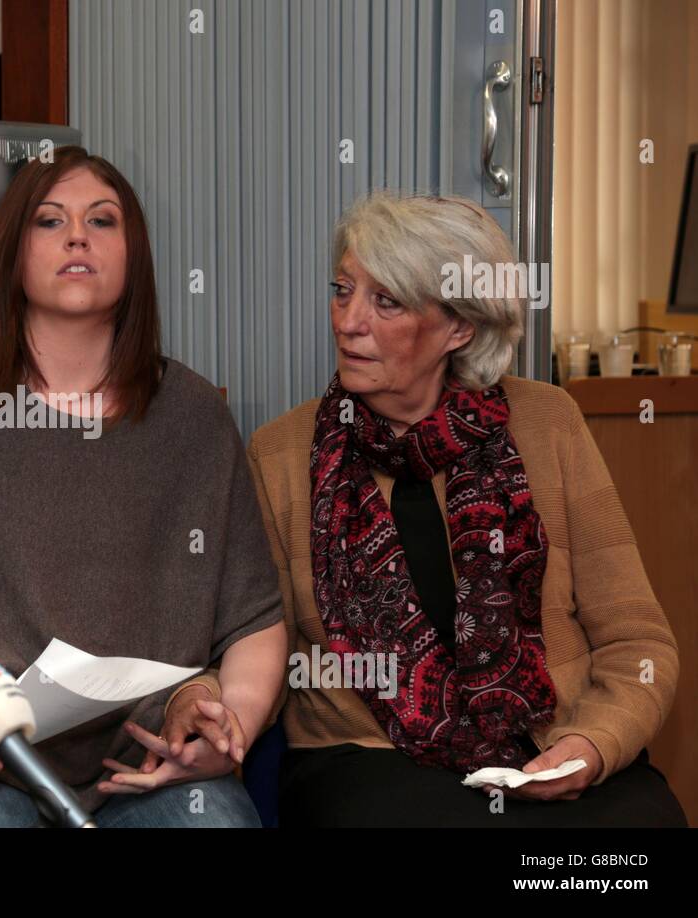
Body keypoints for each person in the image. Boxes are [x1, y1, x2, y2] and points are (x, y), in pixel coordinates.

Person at [0, 146, 287, 827]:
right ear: (11, 252)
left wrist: (230, 730)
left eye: (102, 221)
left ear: (135, 257)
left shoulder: (193, 415)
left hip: (145, 768)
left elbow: (255, 623)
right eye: (49, 221)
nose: (77, 236)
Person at [219, 191, 684, 827]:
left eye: (386, 302)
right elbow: (252, 644)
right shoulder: (280, 455)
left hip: (547, 738)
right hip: (372, 758)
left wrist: (590, 747)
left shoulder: (549, 425)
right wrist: (204, 703)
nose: (348, 321)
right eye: (342, 289)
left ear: (460, 327)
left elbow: (637, 639)